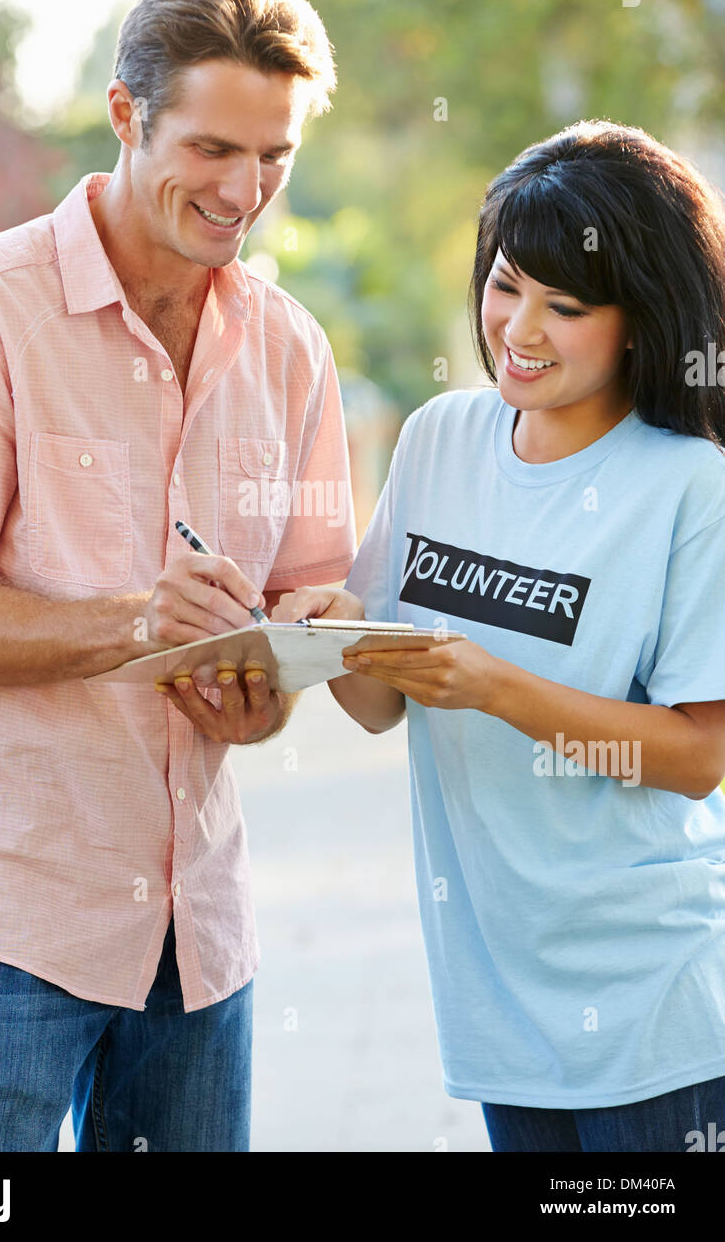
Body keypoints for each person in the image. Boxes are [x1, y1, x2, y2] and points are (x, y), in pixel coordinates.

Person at [0, 0, 357, 1152]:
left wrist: (260, 695)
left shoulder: (290, 349)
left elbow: (291, 622)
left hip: (198, 932)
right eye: (212, 149)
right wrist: (141, 622)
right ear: (127, 114)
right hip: (0, 921)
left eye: (274, 157)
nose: (245, 190)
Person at [267, 120, 725, 1152]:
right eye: (506, 284)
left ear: (639, 322)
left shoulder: (688, 486)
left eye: (565, 306)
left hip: (655, 1012)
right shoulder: (437, 441)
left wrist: (491, 685)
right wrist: (333, 630)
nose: (519, 327)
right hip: (495, 1007)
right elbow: (381, 704)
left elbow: (699, 757)